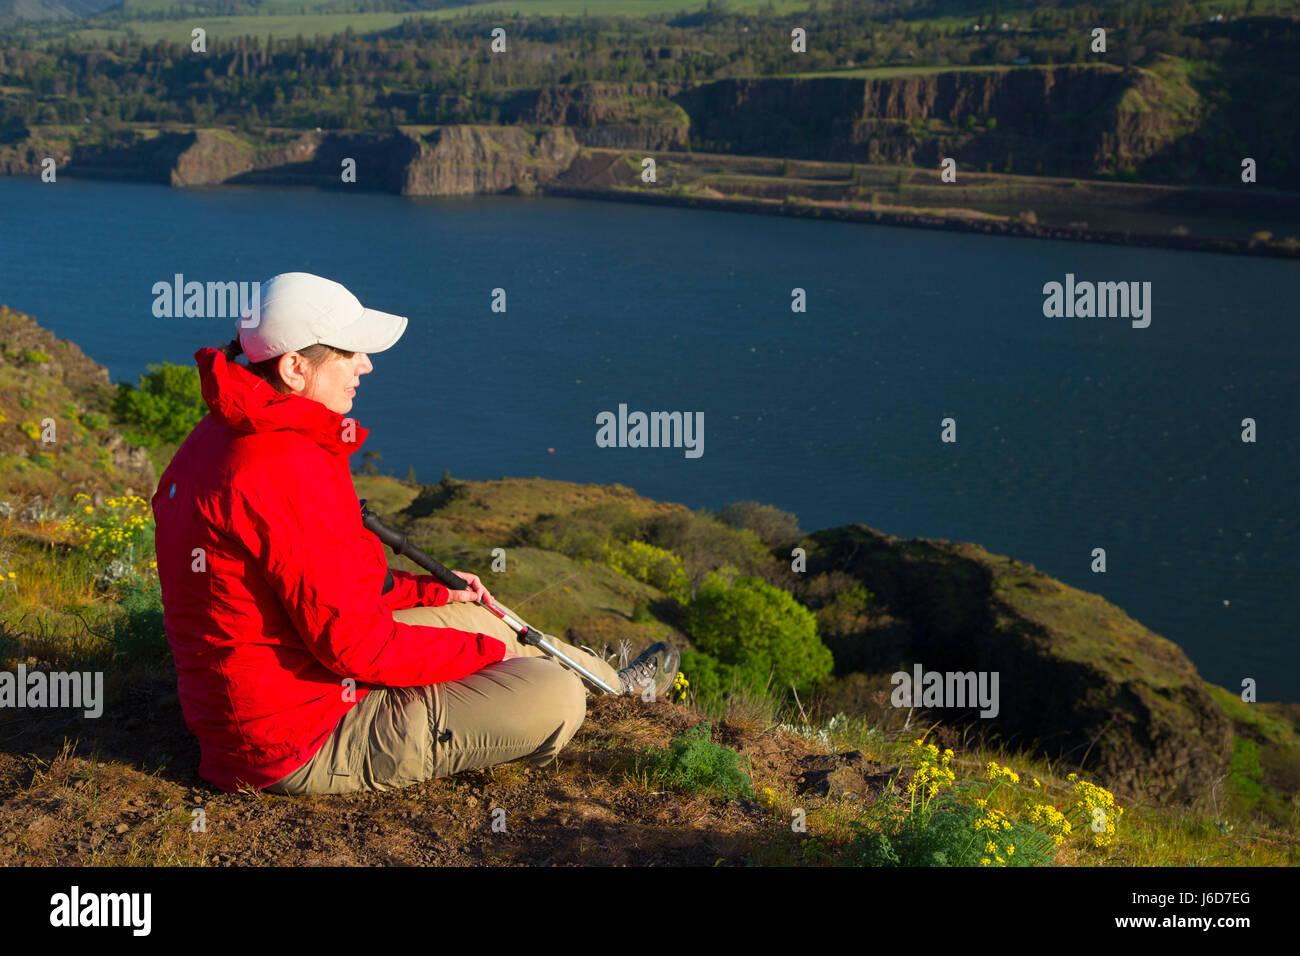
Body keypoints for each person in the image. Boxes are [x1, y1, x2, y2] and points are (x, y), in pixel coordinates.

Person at [150, 272, 679, 795]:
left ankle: (617, 688)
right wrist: (484, 656)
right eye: (349, 352)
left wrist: (433, 593)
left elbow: (330, 584)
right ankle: (584, 690)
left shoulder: (238, 432)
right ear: (293, 368)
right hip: (293, 739)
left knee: (476, 613)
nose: (366, 365)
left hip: (284, 690)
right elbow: (352, 645)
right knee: (556, 697)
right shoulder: (280, 465)